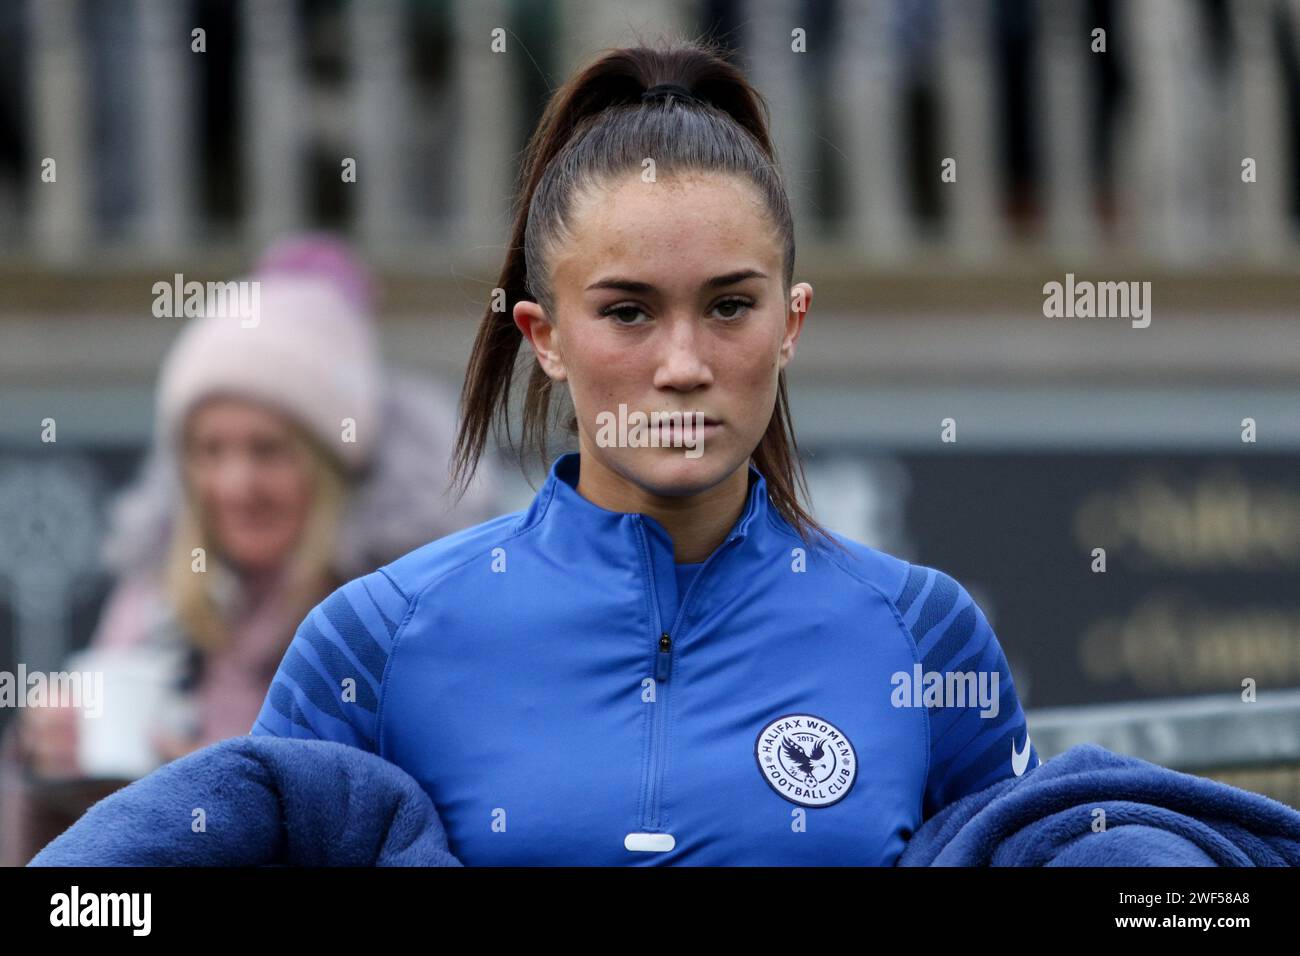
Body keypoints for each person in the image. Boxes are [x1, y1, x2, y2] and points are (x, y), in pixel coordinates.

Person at [250, 42, 1040, 865]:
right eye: (628, 313)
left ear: (792, 324)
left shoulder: (926, 635)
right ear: (545, 336)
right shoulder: (373, 642)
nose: (684, 367)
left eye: (731, 306)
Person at [0, 235, 499, 866]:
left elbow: (417, 825)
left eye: (266, 449)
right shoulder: (156, 599)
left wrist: (217, 799)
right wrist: (44, 765)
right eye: (211, 450)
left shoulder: (397, 615)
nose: (236, 485)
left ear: (329, 462)